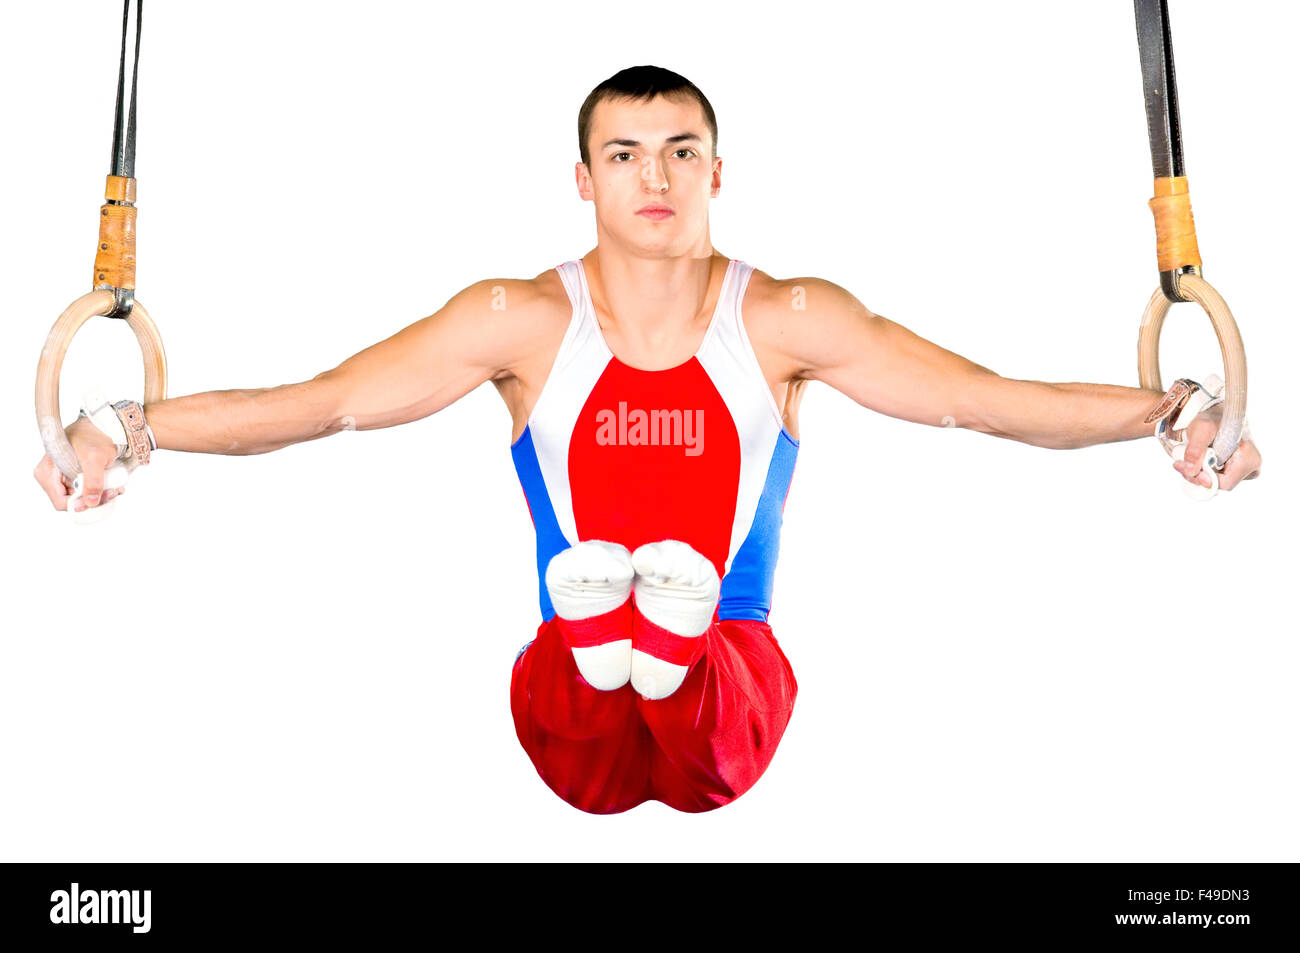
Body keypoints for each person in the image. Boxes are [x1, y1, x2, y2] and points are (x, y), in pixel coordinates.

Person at [33, 66, 1263, 814]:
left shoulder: (784, 318)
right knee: (572, 716)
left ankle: (653, 643)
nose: (655, 176)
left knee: (713, 718)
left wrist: (1171, 410)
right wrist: (127, 431)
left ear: (719, 167)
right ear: (584, 179)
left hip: (735, 651)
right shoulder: (517, 318)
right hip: (577, 682)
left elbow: (981, 398)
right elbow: (324, 402)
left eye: (679, 150)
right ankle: (616, 638)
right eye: (624, 153)